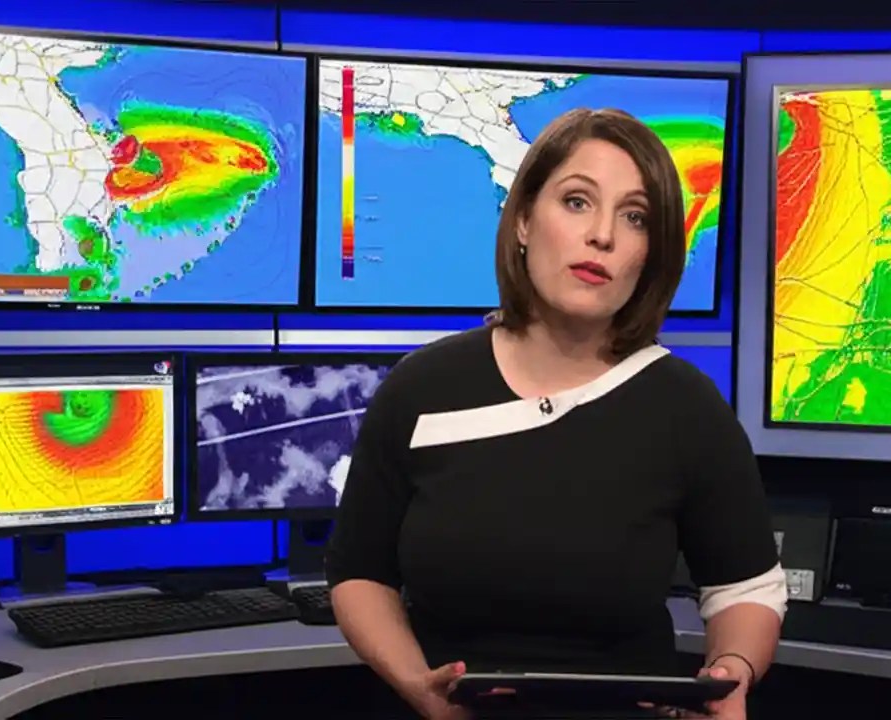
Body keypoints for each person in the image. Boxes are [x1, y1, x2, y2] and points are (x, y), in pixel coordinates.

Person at [325, 107, 786, 720]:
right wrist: (419, 687)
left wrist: (733, 670)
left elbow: (746, 589)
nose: (603, 235)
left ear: (650, 254)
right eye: (577, 202)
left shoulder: (685, 407)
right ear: (521, 220)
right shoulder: (421, 388)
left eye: (635, 217)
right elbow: (359, 573)